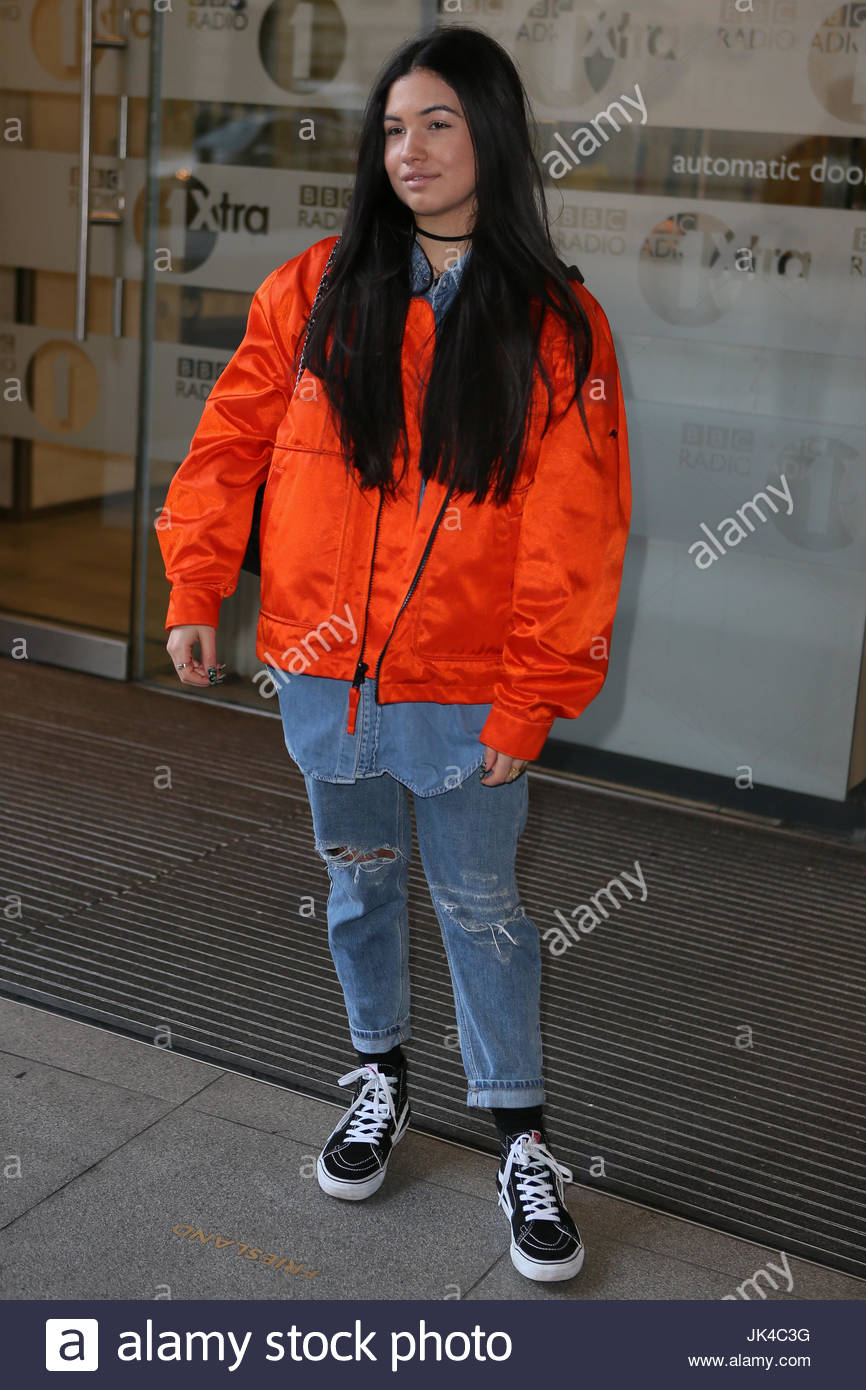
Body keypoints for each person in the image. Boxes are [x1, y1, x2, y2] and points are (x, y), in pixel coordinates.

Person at [158, 23, 631, 1285]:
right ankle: (379, 1077)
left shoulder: (555, 325)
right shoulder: (313, 289)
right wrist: (196, 580)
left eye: (437, 123)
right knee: (358, 882)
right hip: (325, 678)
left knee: (482, 912)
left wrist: (526, 704)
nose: (407, 150)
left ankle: (522, 1138)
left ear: (490, 138)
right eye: (391, 127)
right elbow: (226, 447)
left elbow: (573, 544)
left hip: (466, 697)